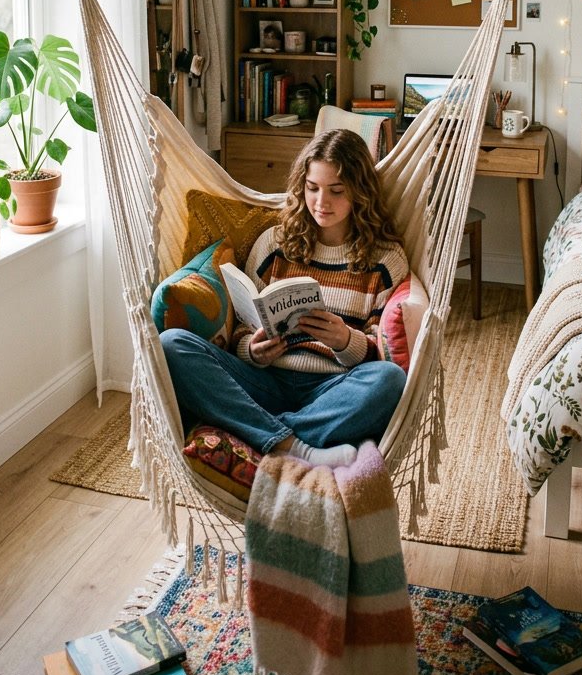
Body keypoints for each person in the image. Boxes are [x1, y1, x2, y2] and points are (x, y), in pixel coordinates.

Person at [160, 129, 409, 468]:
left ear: (359, 193)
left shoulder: (386, 260)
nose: (322, 202)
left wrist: (345, 340)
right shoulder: (274, 243)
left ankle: (261, 434)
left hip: (332, 389)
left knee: (389, 381)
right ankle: (301, 447)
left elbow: (381, 352)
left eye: (336, 191)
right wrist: (253, 350)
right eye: (313, 188)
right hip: (265, 381)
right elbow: (243, 328)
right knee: (171, 344)